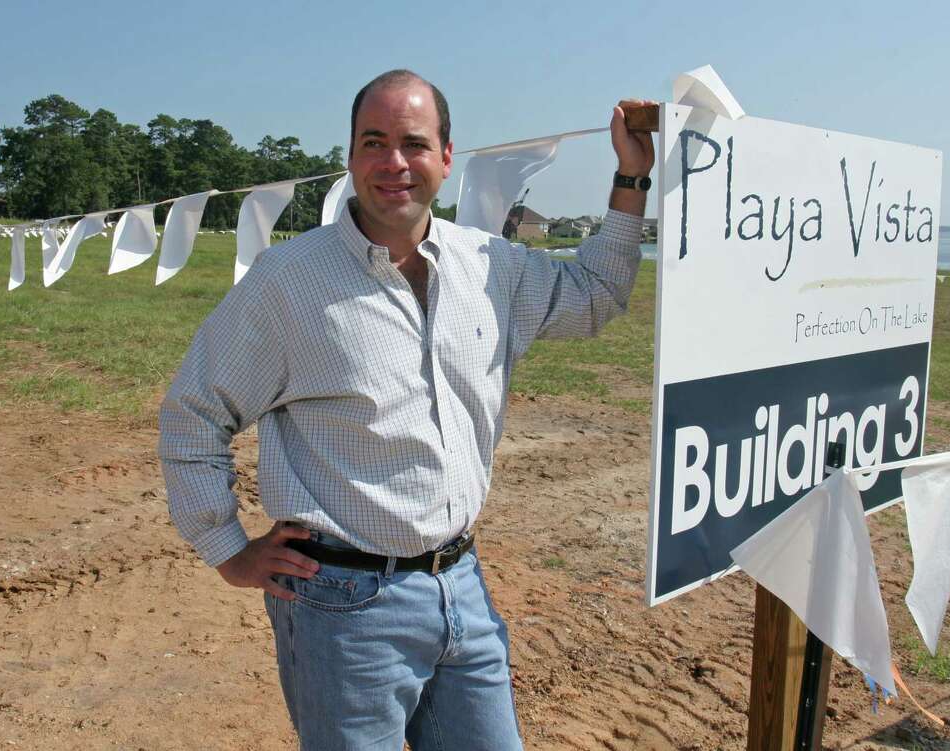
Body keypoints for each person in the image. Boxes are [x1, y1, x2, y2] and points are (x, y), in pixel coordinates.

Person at [159, 69, 654, 750]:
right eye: (374, 142)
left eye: (414, 143)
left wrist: (631, 177)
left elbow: (596, 292)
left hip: (462, 588)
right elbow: (193, 413)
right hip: (342, 607)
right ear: (351, 157)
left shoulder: (493, 267)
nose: (394, 162)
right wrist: (227, 547)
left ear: (448, 158)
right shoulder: (287, 282)